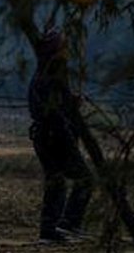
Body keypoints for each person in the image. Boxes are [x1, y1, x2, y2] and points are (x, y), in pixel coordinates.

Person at [29, 29, 93, 243]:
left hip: (49, 135)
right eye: (63, 47)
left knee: (59, 181)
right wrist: (67, 133)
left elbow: (57, 105)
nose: (67, 52)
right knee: (79, 179)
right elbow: (52, 112)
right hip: (54, 136)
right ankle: (59, 227)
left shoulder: (49, 75)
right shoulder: (49, 77)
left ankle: (60, 227)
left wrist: (70, 102)